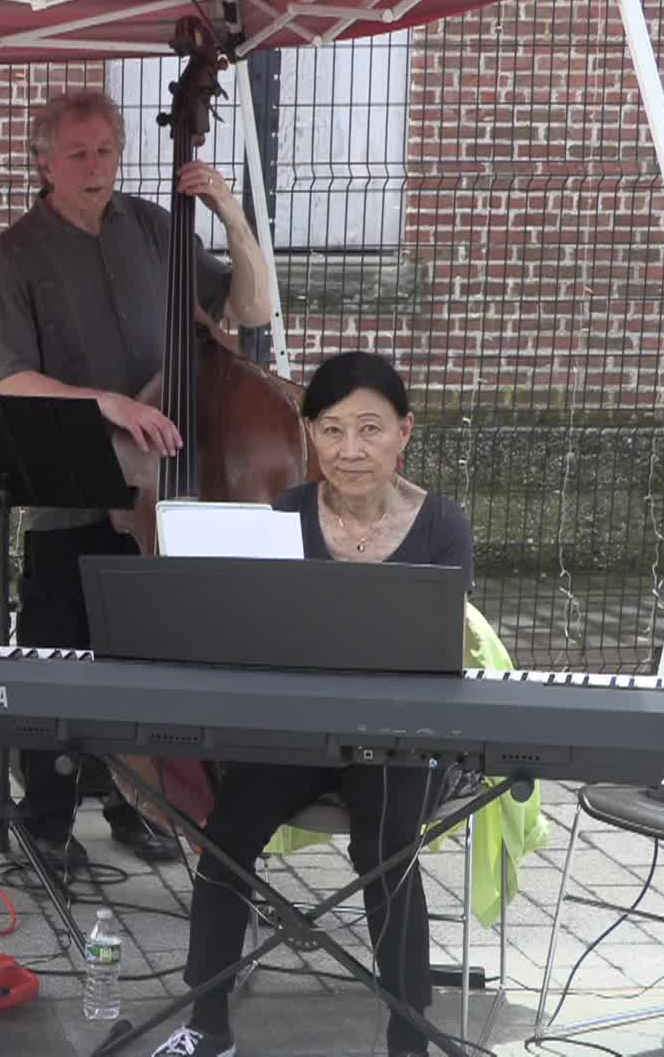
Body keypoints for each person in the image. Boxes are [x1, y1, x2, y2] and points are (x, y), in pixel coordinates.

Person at [0, 88, 273, 865]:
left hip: (163, 491)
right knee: (57, 654)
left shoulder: (154, 227)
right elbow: (13, 381)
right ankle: (44, 815)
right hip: (69, 488)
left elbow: (248, 307)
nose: (95, 165)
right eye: (77, 152)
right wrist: (106, 402)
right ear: (41, 160)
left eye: (106, 149)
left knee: (143, 661)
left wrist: (232, 214)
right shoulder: (15, 252)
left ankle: (134, 799)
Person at [151, 350, 473, 1057]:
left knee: (386, 847)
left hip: (395, 732)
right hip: (296, 731)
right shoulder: (289, 513)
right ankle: (206, 1024)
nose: (350, 450)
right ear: (311, 436)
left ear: (404, 432)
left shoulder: (442, 525)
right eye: (331, 430)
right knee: (225, 835)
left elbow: (440, 654)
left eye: (369, 429)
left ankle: (407, 1034)